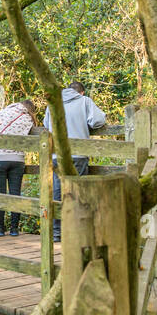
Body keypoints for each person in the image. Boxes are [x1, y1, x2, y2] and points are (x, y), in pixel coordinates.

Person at [44, 80, 107, 242]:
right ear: (81, 92)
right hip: (78, 154)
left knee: (58, 192)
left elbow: (46, 124)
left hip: (57, 154)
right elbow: (98, 121)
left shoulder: (53, 103)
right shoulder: (84, 101)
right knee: (78, 192)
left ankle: (57, 232)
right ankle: (77, 231)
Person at [0, 100, 35, 236]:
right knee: (15, 194)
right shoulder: (29, 118)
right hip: (17, 159)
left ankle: (0, 228)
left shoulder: (4, 112)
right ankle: (14, 228)